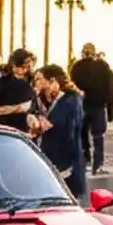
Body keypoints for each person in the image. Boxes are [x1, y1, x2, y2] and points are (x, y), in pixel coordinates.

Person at [35, 64, 87, 203]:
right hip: (47, 162)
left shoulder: (71, 101)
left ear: (53, 82)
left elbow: (62, 126)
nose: (38, 84)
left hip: (65, 165)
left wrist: (40, 123)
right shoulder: (42, 100)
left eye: (40, 80)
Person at [70, 43, 113, 176]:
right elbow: (110, 88)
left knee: (82, 134)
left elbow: (72, 87)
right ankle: (98, 164)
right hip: (98, 106)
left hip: (82, 106)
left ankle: (85, 158)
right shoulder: (103, 67)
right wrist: (110, 108)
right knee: (98, 136)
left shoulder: (76, 67)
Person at [0, 49, 39, 134]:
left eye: (28, 67)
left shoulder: (32, 81)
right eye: (22, 66)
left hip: (26, 132)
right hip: (4, 130)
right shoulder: (2, 82)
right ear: (13, 65)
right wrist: (19, 108)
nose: (24, 70)